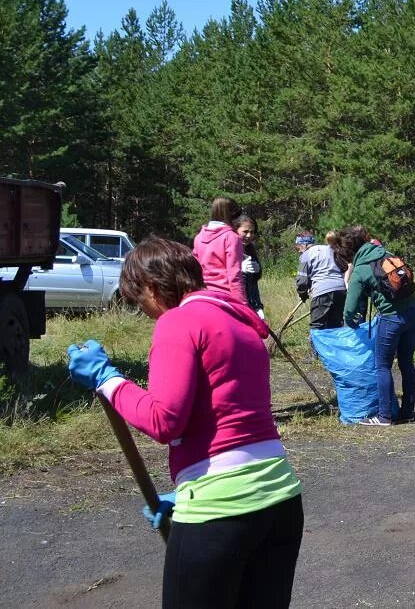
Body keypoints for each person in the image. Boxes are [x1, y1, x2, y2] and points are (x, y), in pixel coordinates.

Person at [66, 237, 304, 608]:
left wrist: (107, 380)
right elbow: (231, 416)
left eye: (139, 300)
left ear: (150, 286)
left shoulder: (178, 321)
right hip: (280, 501)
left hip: (222, 508)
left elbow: (164, 420)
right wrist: (183, 490)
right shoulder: (238, 321)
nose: (145, 312)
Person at [341, 225, 415, 426]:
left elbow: (350, 309)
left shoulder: (360, 269)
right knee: (406, 362)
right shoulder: (387, 254)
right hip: (414, 314)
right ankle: (408, 412)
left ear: (350, 250)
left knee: (382, 366)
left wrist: (351, 323)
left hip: (391, 319)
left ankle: (384, 415)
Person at [194, 197, 248, 305]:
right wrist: (242, 304)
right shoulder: (231, 238)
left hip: (202, 294)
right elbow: (234, 275)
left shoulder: (199, 237)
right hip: (225, 296)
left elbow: (195, 268)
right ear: (232, 215)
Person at [295, 231, 347, 329]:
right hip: (340, 290)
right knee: (335, 326)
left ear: (303, 244)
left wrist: (302, 294)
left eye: (298, 247)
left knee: (317, 327)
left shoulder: (306, 254)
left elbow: (302, 281)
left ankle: (317, 339)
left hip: (322, 292)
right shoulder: (329, 249)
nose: (299, 251)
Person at [234, 214, 266, 317]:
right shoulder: (230, 250)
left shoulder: (250, 250)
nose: (249, 235)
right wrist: (240, 270)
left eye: (252, 232)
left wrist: (258, 306)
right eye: (245, 231)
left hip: (252, 305)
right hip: (236, 307)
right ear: (235, 230)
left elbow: (253, 283)